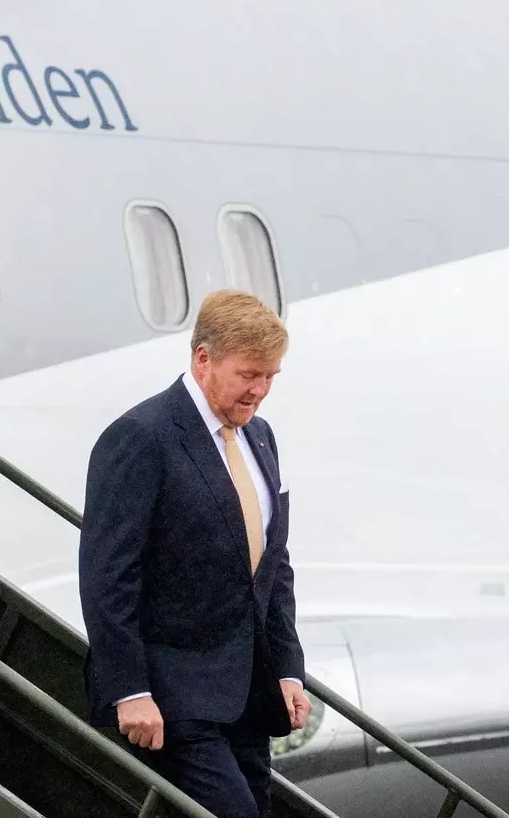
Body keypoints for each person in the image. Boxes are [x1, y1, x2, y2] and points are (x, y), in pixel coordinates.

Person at [79, 289, 312, 818]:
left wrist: (288, 669)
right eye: (249, 375)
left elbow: (273, 569)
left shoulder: (261, 438)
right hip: (173, 693)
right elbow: (107, 576)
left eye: (271, 377)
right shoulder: (141, 437)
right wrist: (129, 689)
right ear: (203, 359)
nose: (260, 391)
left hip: (246, 693)